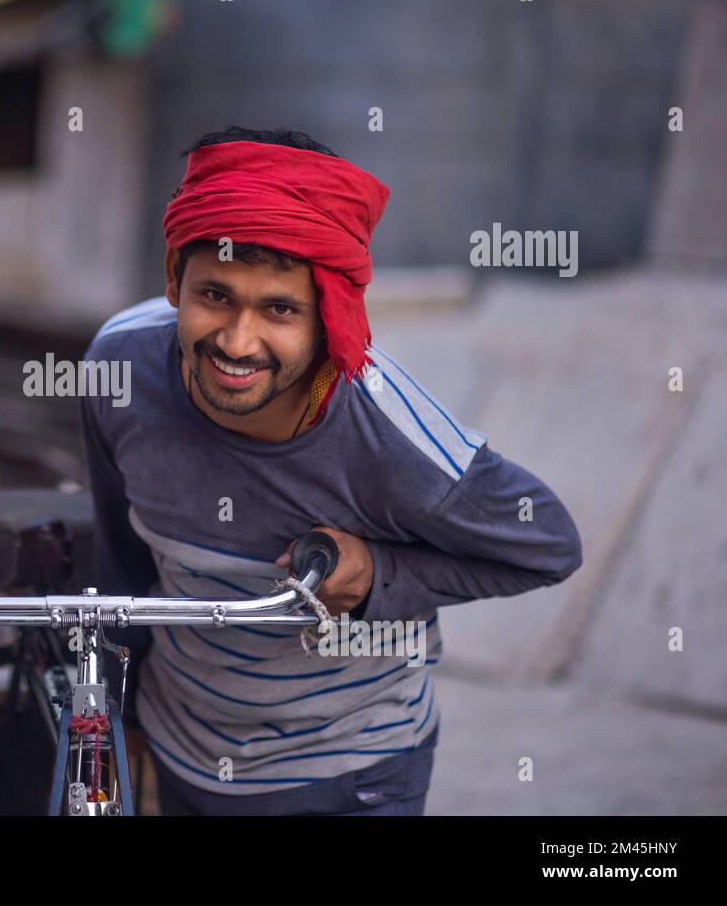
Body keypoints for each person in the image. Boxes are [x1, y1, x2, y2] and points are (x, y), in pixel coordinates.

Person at [79, 126, 583, 815]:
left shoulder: (387, 432)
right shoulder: (119, 368)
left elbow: (550, 544)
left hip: (352, 771)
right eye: (215, 295)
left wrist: (381, 573)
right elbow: (121, 553)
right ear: (173, 278)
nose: (237, 340)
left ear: (329, 315)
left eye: (279, 309)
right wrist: (119, 701)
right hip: (184, 752)